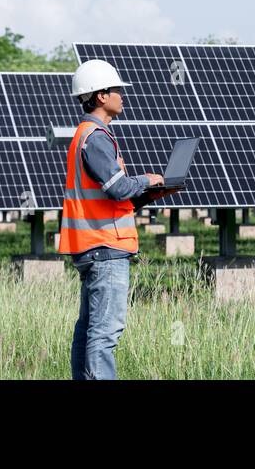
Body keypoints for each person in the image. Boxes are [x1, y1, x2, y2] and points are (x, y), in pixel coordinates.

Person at [59, 59, 163, 380]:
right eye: (117, 90)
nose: (123, 95)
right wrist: (147, 180)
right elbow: (118, 188)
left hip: (92, 246)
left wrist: (147, 194)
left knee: (89, 329)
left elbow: (110, 195)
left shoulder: (85, 135)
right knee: (104, 334)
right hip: (105, 248)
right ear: (101, 96)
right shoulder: (96, 137)